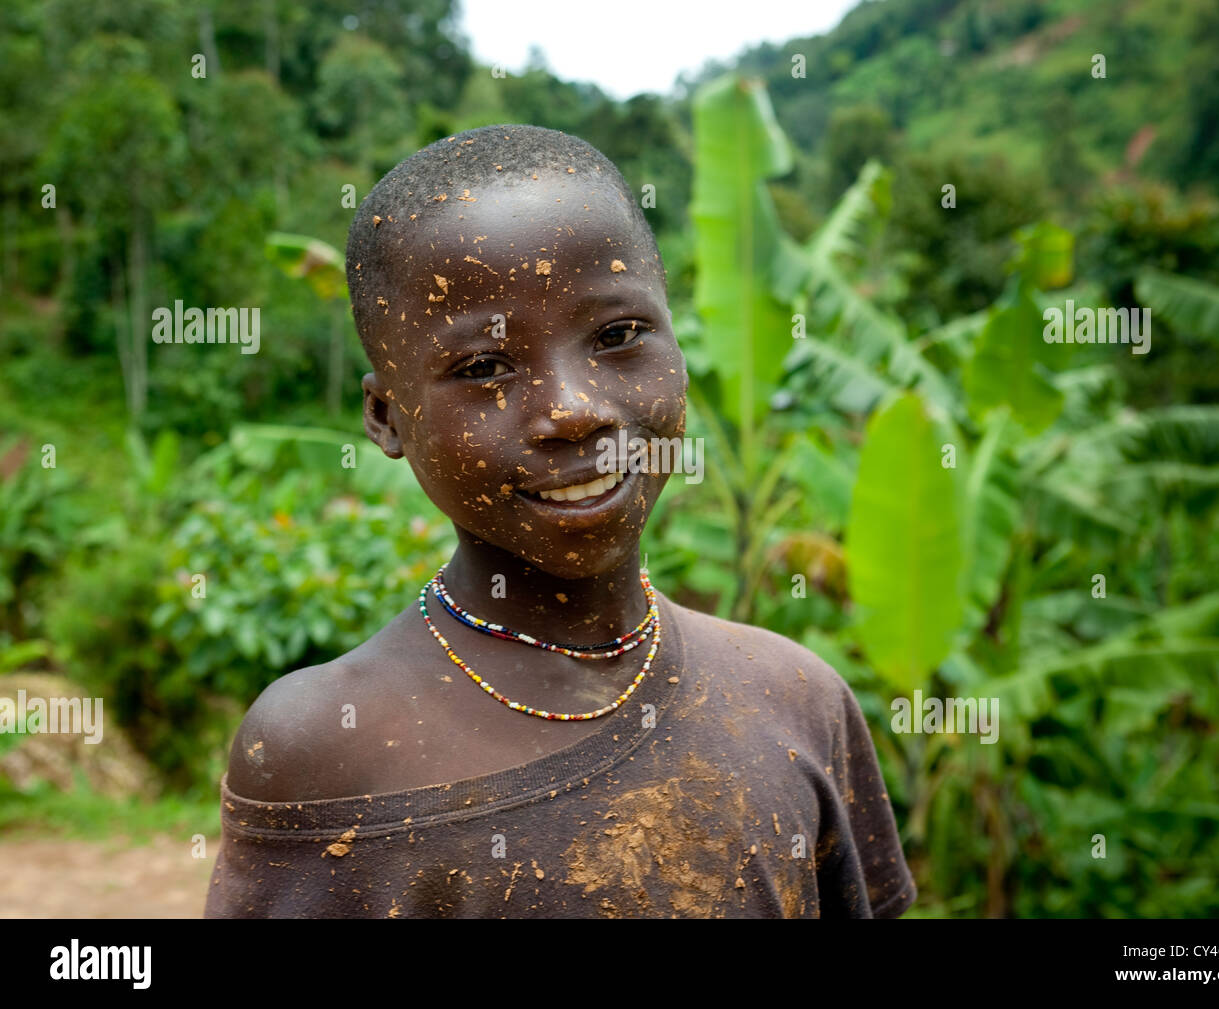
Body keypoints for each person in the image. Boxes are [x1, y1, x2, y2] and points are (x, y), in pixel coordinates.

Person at [203, 124, 915, 918]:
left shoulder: (795, 699)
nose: (573, 411)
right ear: (385, 415)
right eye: (484, 368)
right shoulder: (322, 749)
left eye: (618, 337)